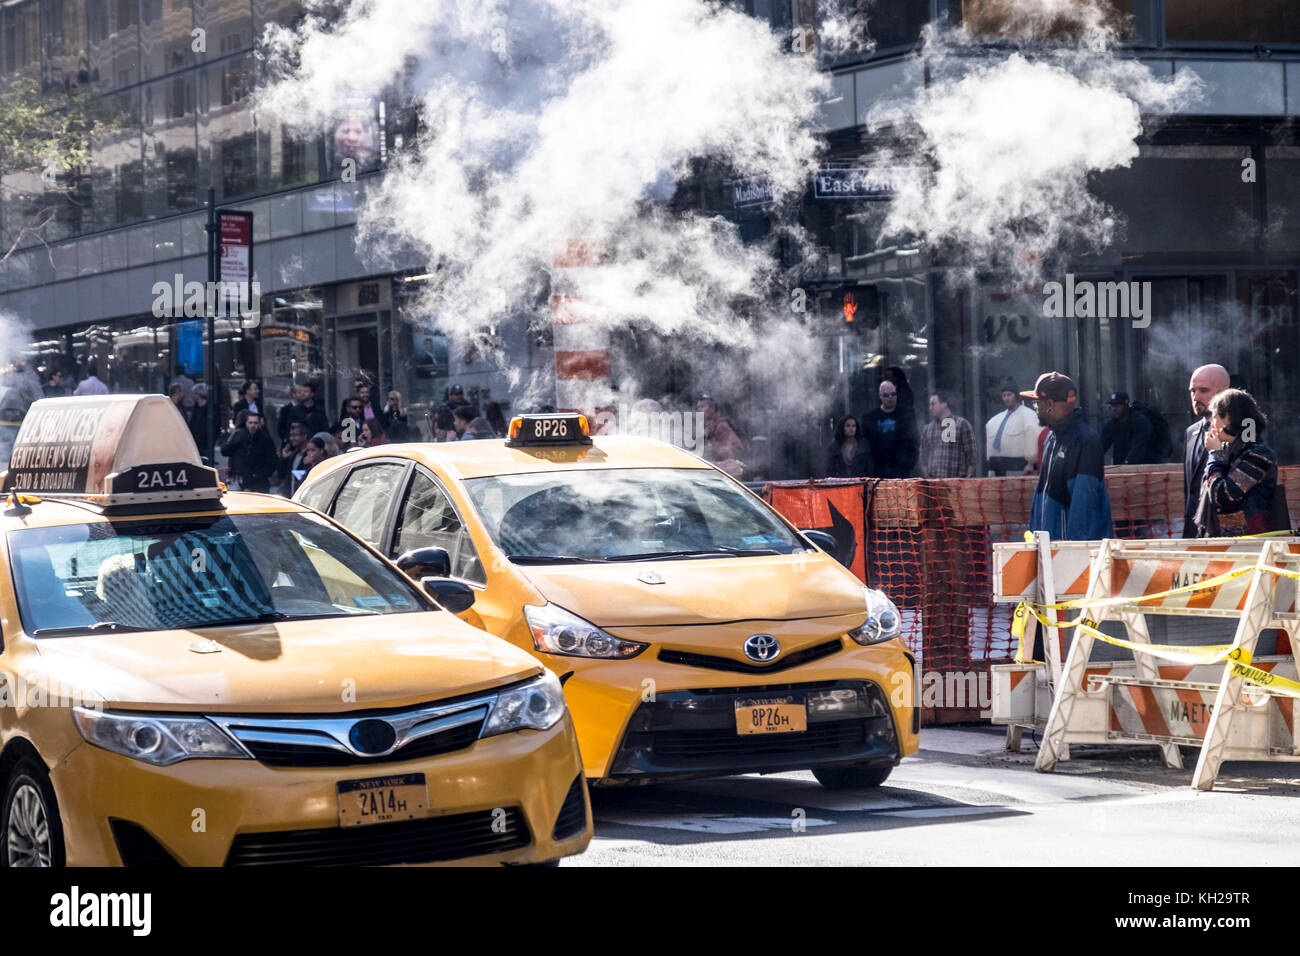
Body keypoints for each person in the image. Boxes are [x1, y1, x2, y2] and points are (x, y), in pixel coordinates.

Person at [1022, 371, 1113, 540]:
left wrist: (1074, 555)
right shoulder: (1051, 437)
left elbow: (1084, 508)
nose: (1035, 409)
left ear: (1049, 404)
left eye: (1037, 403)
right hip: (1051, 551)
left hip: (1070, 555)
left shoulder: (1085, 441)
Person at [1193, 389, 1290, 537]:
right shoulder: (1227, 450)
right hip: (1223, 542)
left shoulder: (1259, 454)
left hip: (1251, 543)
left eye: (1216, 417)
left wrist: (1215, 454)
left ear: (1229, 417)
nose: (1212, 424)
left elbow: (1222, 496)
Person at [1183, 363, 1231, 539]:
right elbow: (1190, 490)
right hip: (1195, 532)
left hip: (1225, 533)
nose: (1195, 397)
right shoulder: (1191, 432)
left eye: (1203, 390)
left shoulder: (1240, 432)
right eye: (1192, 391)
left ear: (1224, 391)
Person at [862, 380, 919, 478]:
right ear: (880, 396)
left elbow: (914, 439)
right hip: (878, 469)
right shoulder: (870, 417)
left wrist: (909, 462)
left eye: (893, 394)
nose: (890, 397)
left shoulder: (906, 414)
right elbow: (865, 443)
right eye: (886, 395)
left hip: (901, 469)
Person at [985, 381, 1040, 476]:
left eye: (1009, 395)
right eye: (1004, 395)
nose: (1006, 398)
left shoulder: (1028, 415)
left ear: (1016, 396)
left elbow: (1034, 439)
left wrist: (1031, 464)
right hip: (997, 470)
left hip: (1020, 470)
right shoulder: (994, 420)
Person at [920, 391, 976, 478]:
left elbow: (972, 457)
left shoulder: (961, 424)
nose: (930, 408)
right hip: (934, 486)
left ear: (944, 404)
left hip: (957, 485)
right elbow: (923, 458)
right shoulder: (927, 429)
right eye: (929, 404)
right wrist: (929, 482)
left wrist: (967, 481)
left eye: (933, 404)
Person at [220, 410, 278, 493]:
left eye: (255, 423)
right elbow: (225, 451)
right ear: (246, 423)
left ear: (259, 424)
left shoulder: (265, 440)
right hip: (240, 478)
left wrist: (257, 475)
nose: (253, 425)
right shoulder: (241, 436)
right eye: (250, 423)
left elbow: (272, 462)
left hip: (257, 482)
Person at [1101, 392, 1155, 465]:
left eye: (1117, 405)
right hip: (1121, 468)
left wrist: (1126, 464)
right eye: (1112, 405)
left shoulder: (1140, 421)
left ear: (1126, 405)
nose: (1114, 409)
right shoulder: (1112, 425)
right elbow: (1102, 445)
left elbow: (1138, 447)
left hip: (1143, 467)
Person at [697, 394, 744, 474]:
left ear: (712, 409)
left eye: (702, 407)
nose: (699, 410)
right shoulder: (704, 426)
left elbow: (738, 449)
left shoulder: (721, 426)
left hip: (724, 473)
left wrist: (715, 449)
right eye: (698, 407)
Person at [276, 421, 311, 494]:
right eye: (291, 435)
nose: (292, 438)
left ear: (304, 436)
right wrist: (284, 458)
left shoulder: (310, 455)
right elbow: (281, 475)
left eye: (295, 435)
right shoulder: (293, 455)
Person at [189, 383, 212, 460]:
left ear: (198, 394)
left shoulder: (209, 407)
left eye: (194, 393)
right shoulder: (196, 406)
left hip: (205, 440)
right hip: (196, 440)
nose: (193, 396)